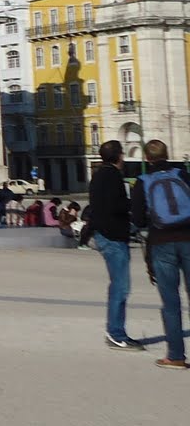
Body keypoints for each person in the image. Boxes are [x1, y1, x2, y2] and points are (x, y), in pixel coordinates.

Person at [130, 138, 190, 369]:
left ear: (147, 158)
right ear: (167, 154)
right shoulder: (182, 174)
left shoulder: (143, 181)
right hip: (188, 237)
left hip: (162, 241)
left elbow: (136, 219)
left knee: (171, 302)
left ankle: (175, 356)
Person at [88, 141, 143, 350]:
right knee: (121, 287)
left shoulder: (99, 175)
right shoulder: (112, 176)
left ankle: (115, 331)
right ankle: (115, 333)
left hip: (106, 234)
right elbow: (115, 205)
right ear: (119, 157)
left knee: (118, 286)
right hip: (113, 236)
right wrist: (132, 205)